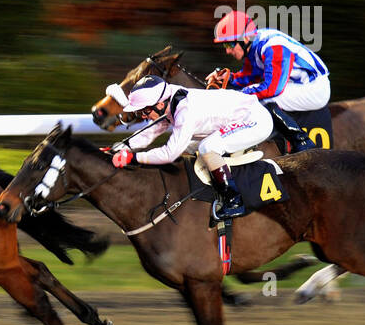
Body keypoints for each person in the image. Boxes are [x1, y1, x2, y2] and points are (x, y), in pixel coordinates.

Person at [112, 75, 273, 219]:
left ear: (160, 104)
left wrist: (133, 158)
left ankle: (234, 200)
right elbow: (152, 131)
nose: (144, 116)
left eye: (145, 111)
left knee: (207, 147)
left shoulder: (185, 112)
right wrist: (123, 147)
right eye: (140, 113)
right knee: (189, 146)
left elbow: (169, 154)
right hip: (238, 117)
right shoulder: (169, 96)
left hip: (255, 120)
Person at [205, 10, 329, 153]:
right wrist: (227, 78)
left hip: (315, 88)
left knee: (264, 99)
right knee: (253, 94)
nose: (227, 51)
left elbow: (272, 89)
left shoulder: (273, 47)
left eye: (229, 45)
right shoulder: (255, 44)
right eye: (225, 46)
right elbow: (249, 77)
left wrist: (240, 94)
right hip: (296, 84)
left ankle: (303, 143)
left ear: (244, 39)